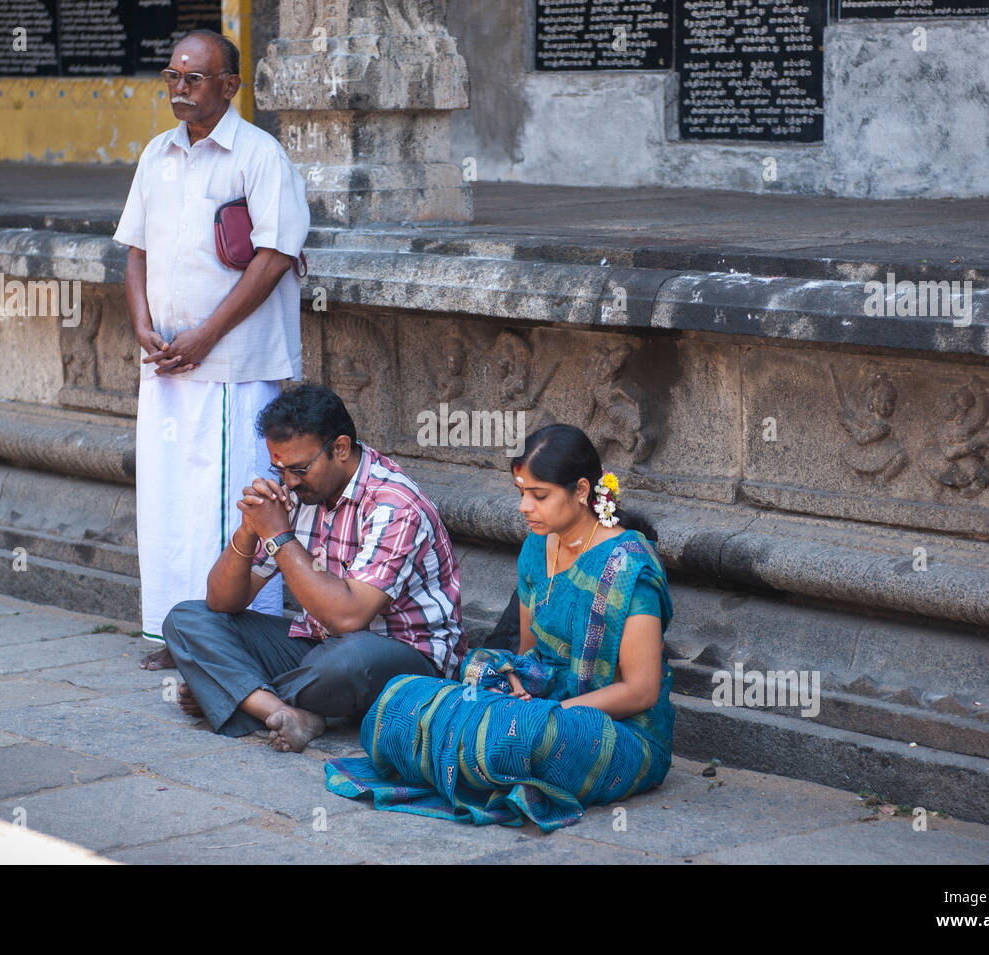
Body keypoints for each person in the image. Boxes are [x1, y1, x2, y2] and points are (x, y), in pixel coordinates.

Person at [324, 424, 674, 831]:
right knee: (398, 698)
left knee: (513, 733)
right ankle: (486, 752)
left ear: (581, 491)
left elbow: (642, 689)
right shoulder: (537, 546)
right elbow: (528, 656)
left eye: (539, 495)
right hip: (537, 704)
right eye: (521, 493)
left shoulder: (630, 566)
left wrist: (552, 710)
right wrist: (511, 674)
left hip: (613, 726)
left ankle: (481, 751)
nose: (525, 507)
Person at [112, 29, 309, 666]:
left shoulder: (259, 155)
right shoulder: (156, 155)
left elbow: (276, 256)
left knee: (226, 501)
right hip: (167, 361)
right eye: (172, 77)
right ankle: (174, 629)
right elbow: (135, 250)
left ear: (229, 85)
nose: (179, 90)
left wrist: (206, 335)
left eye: (194, 79)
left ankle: (231, 636)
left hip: (233, 365)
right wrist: (143, 322)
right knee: (169, 500)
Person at [163, 384, 465, 753]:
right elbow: (223, 601)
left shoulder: (394, 505)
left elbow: (347, 618)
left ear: (339, 448)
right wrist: (249, 530)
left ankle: (236, 692)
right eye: (279, 469)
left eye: (299, 468)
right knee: (186, 618)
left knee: (348, 662)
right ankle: (278, 709)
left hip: (400, 656)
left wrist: (276, 534)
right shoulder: (300, 493)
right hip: (318, 645)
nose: (288, 481)